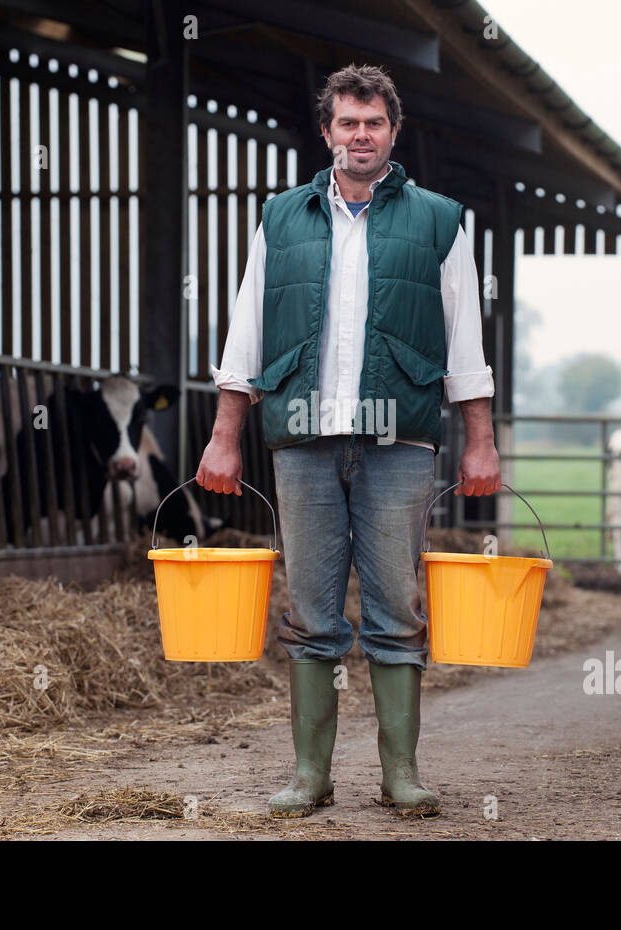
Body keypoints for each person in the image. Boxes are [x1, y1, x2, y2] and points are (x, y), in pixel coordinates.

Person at [197, 63, 501, 818]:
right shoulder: (281, 218)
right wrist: (223, 437)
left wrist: (479, 442)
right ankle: (310, 775)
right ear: (327, 132)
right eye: (347, 123)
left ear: (393, 133)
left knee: (396, 606)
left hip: (399, 441)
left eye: (373, 123)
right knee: (311, 612)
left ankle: (401, 774)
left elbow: (465, 340)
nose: (360, 135)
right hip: (302, 439)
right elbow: (246, 335)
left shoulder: (438, 220)